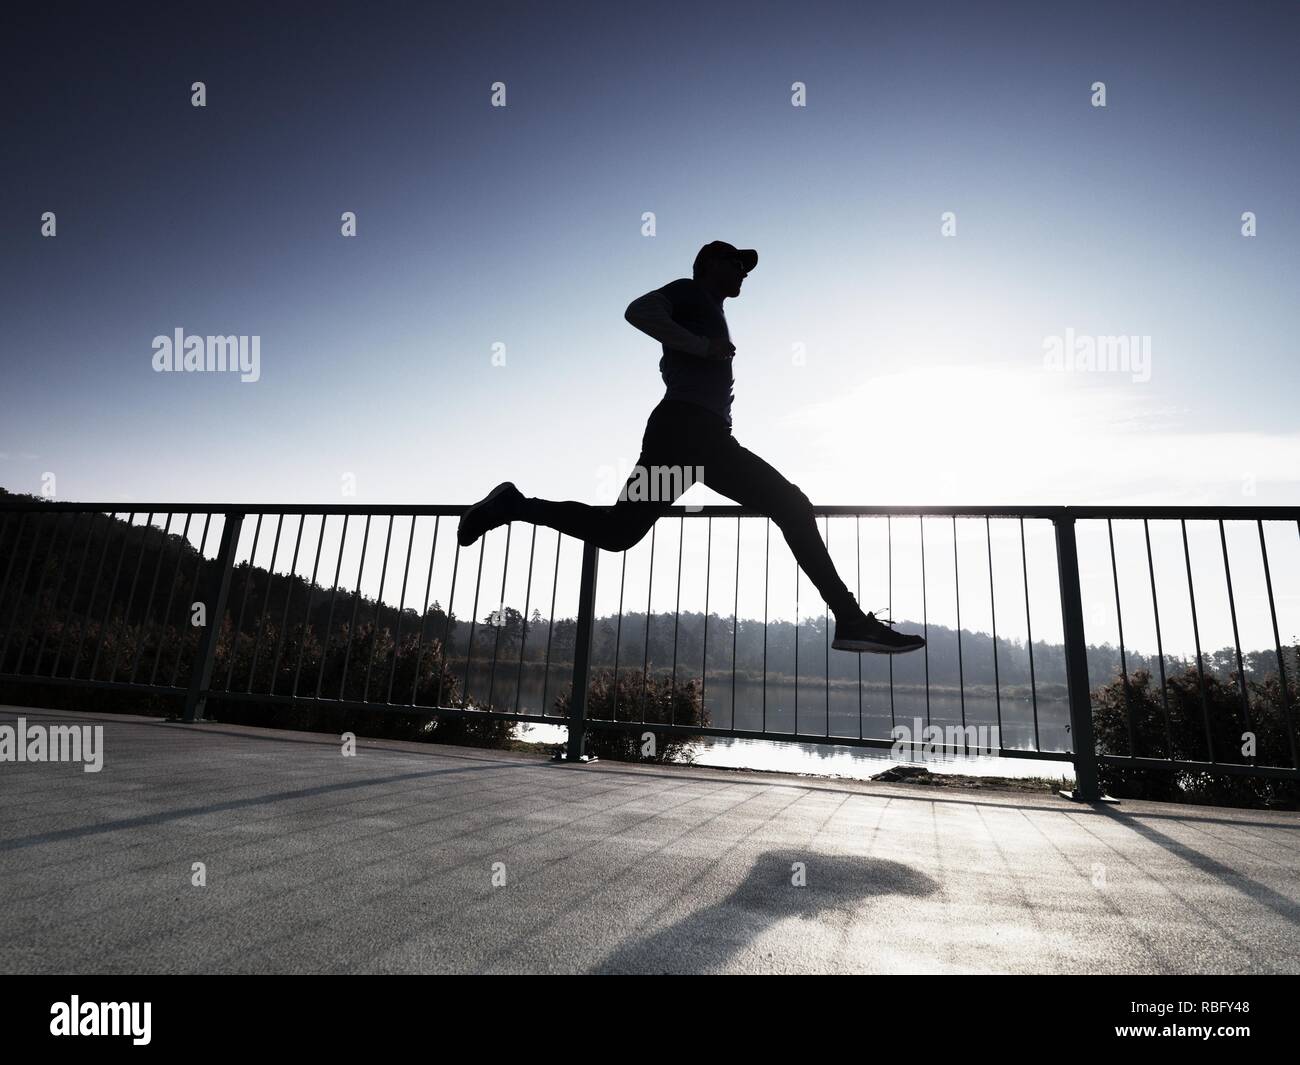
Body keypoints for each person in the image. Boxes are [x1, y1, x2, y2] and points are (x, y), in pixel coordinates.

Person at [457, 240, 925, 653]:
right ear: (708, 264)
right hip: (692, 435)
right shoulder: (690, 290)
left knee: (619, 531)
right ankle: (850, 620)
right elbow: (637, 310)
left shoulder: (709, 307)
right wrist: (701, 348)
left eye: (746, 267)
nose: (743, 272)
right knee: (791, 504)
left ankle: (512, 505)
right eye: (736, 263)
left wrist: (696, 354)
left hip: (686, 437)